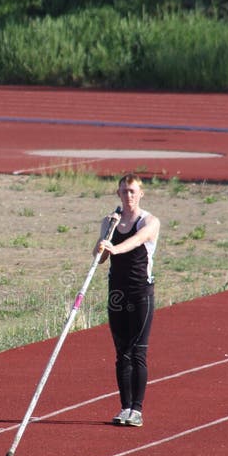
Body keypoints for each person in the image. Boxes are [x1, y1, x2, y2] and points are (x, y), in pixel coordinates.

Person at [94, 174, 160, 427]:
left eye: (132, 191)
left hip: (141, 292)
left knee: (137, 351)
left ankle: (137, 409)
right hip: (117, 292)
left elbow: (137, 241)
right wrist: (102, 244)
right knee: (121, 353)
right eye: (124, 192)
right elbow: (99, 259)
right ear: (118, 194)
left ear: (140, 193)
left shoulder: (150, 222)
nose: (128, 196)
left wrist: (115, 248)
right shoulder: (109, 222)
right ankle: (124, 407)